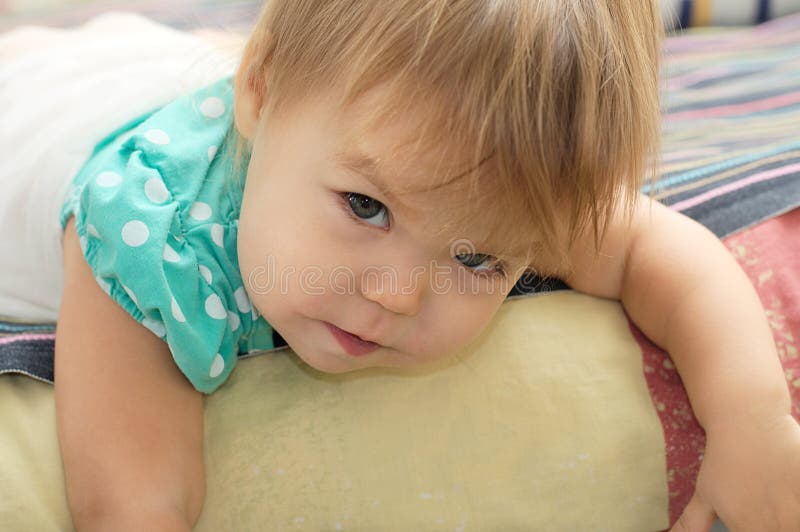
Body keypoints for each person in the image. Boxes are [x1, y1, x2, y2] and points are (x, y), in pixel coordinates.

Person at [4, 1, 799, 530]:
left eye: (479, 259)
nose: (397, 294)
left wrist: (752, 423)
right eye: (363, 208)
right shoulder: (142, 239)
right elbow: (133, 503)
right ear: (262, 91)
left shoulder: (459, 176)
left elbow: (657, 251)